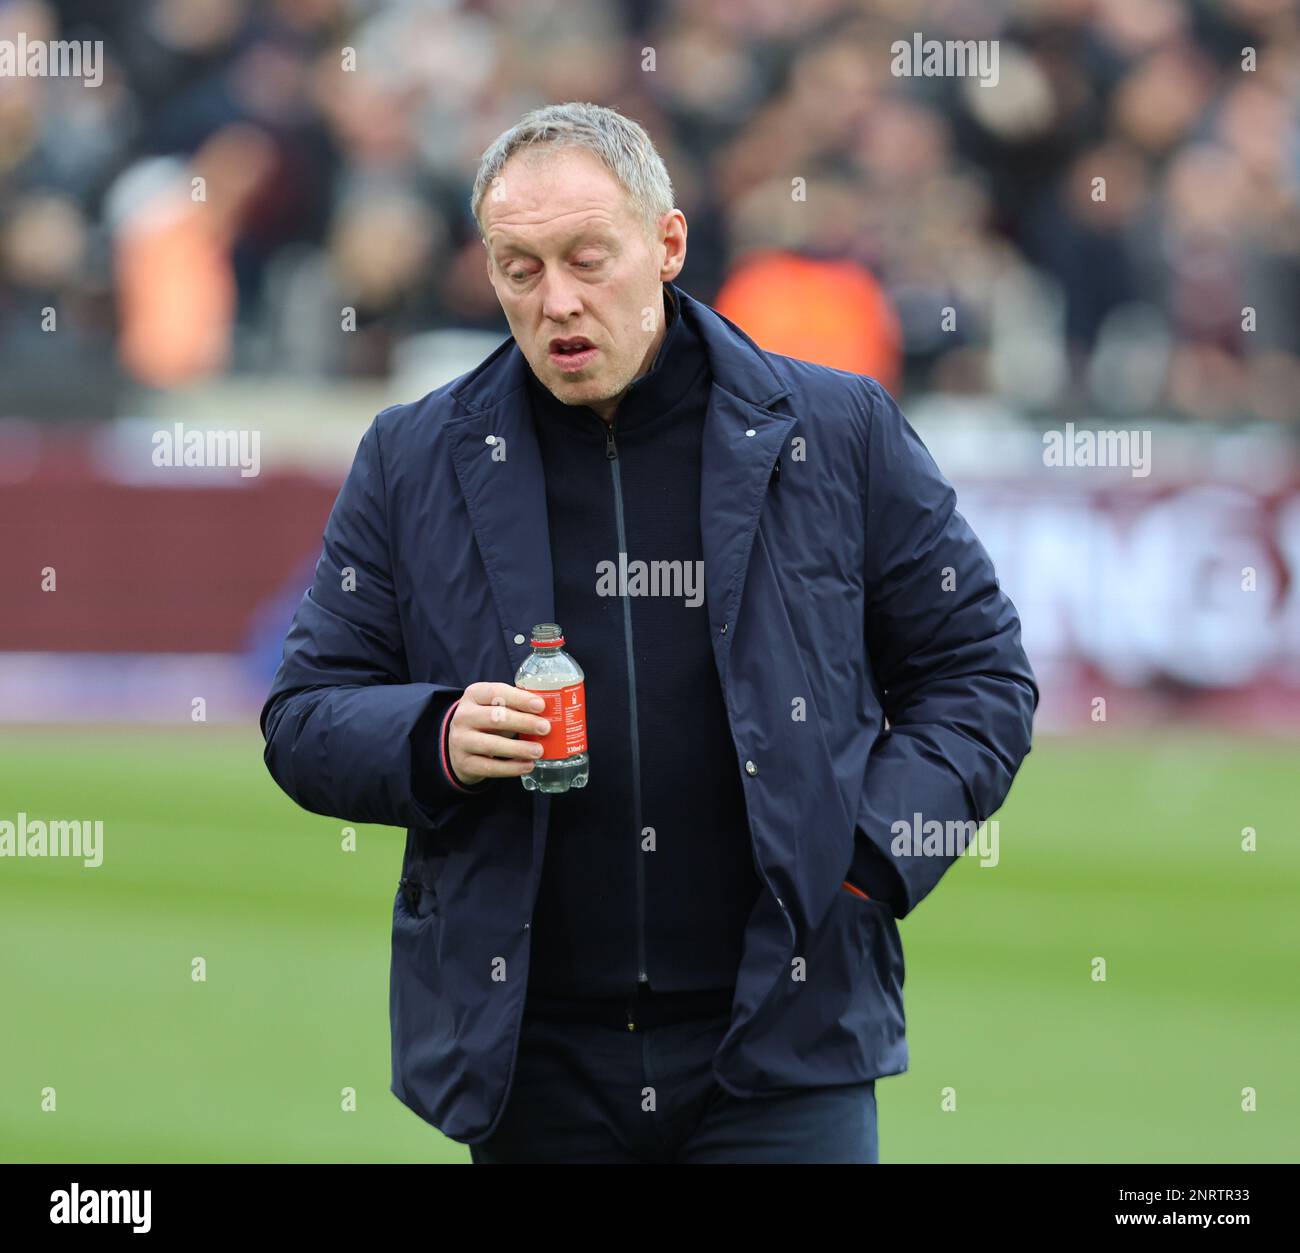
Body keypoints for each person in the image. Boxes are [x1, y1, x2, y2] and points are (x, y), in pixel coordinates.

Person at [260, 102, 1038, 1164]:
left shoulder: (839, 430)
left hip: (785, 1046)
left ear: (667, 244)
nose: (558, 301)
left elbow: (978, 674)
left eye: (588, 258)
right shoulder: (413, 456)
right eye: (518, 269)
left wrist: (866, 861)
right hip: (530, 1058)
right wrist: (431, 736)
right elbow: (304, 713)